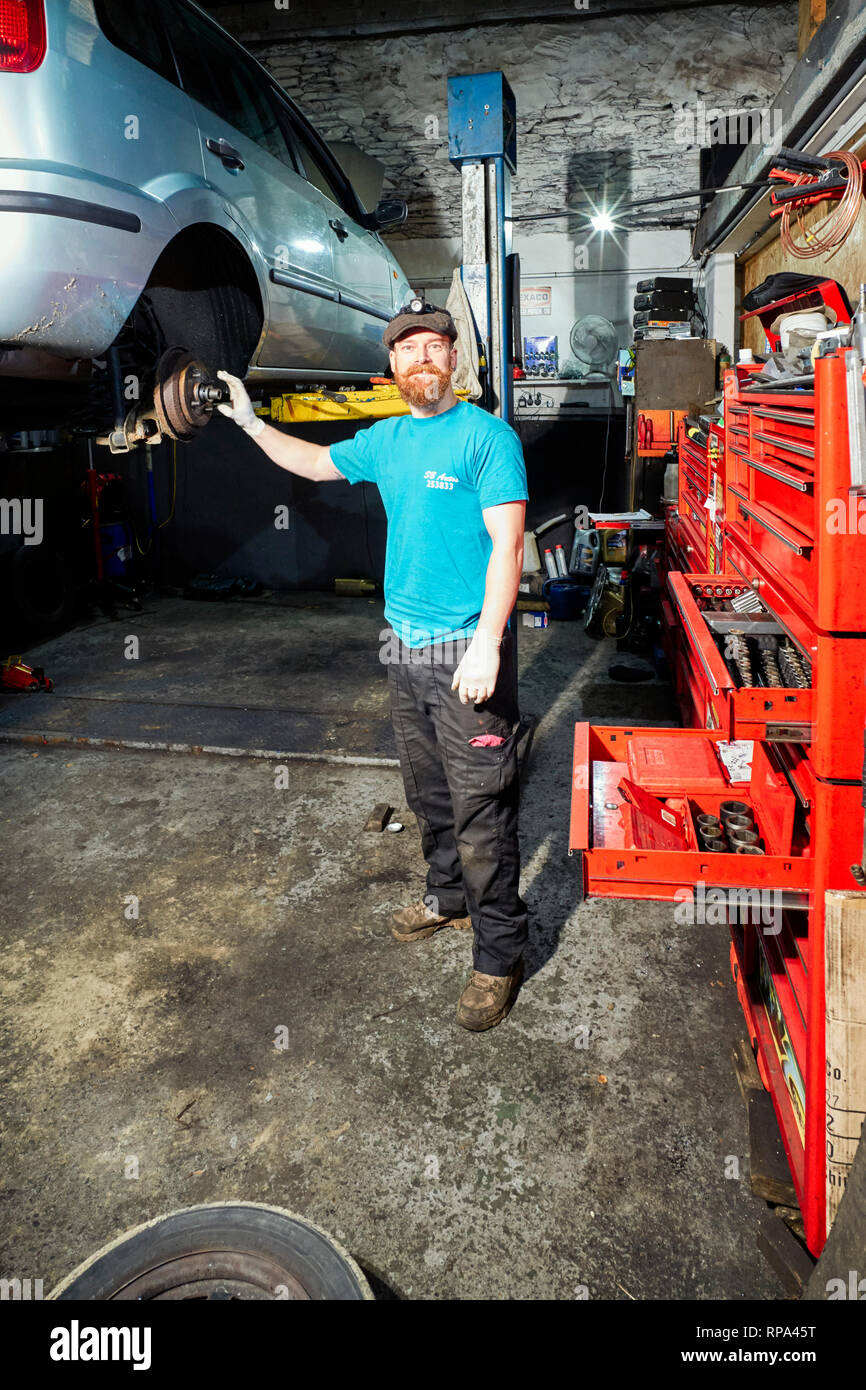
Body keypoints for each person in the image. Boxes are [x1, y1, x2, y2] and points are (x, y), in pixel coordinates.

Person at [217, 299, 530, 1032]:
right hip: (403, 646)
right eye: (408, 348)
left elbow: (509, 549)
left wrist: (487, 641)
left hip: (466, 650)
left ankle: (498, 954)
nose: (422, 358)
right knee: (429, 794)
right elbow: (314, 463)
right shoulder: (386, 440)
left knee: (483, 811)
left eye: (435, 346)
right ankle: (447, 897)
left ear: (455, 359)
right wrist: (249, 421)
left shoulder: (488, 439)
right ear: (392, 366)